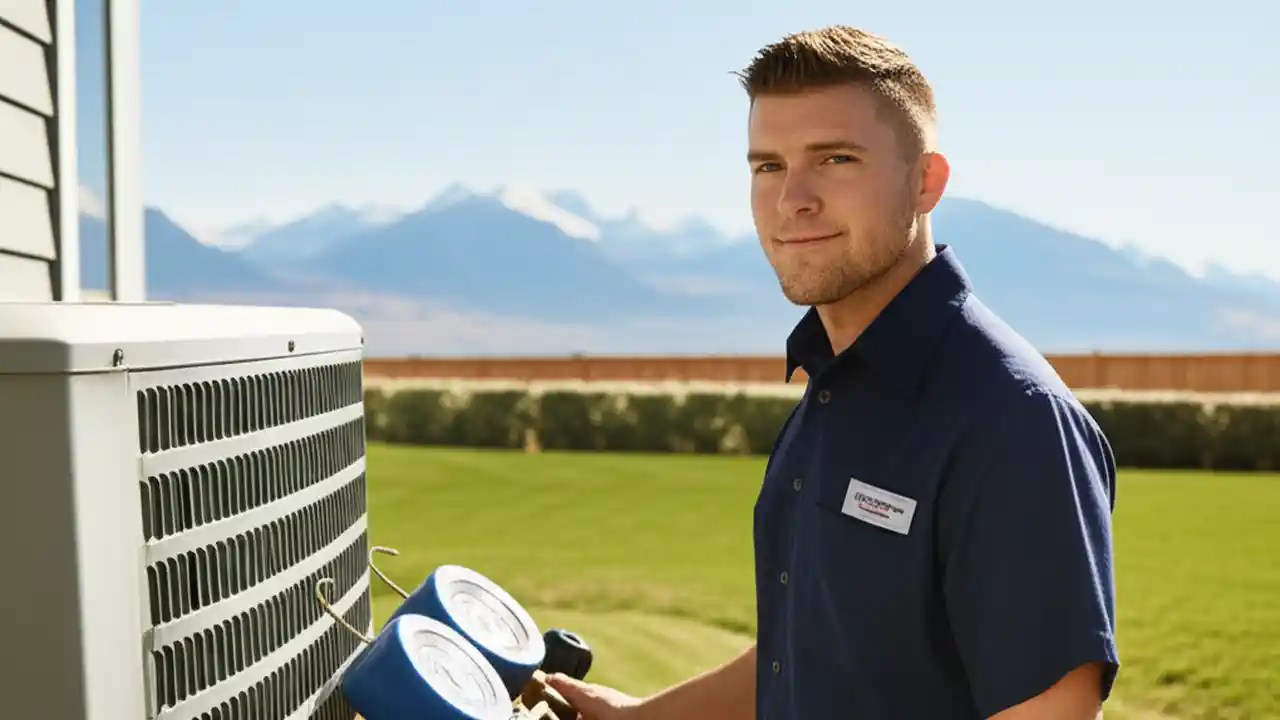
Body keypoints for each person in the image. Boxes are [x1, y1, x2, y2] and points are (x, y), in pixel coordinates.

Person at [546, 24, 1120, 719]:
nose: (793, 199)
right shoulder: (832, 386)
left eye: (836, 159)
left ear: (925, 182)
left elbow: (1049, 710)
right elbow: (820, 643)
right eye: (767, 166)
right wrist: (641, 718)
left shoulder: (1011, 420)